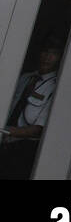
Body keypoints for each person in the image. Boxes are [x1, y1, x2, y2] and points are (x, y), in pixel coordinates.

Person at [0, 42, 62, 179]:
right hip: (5, 139)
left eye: (54, 53)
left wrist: (9, 132)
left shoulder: (54, 87)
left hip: (23, 147)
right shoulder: (25, 78)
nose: (48, 57)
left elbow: (37, 129)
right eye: (45, 51)